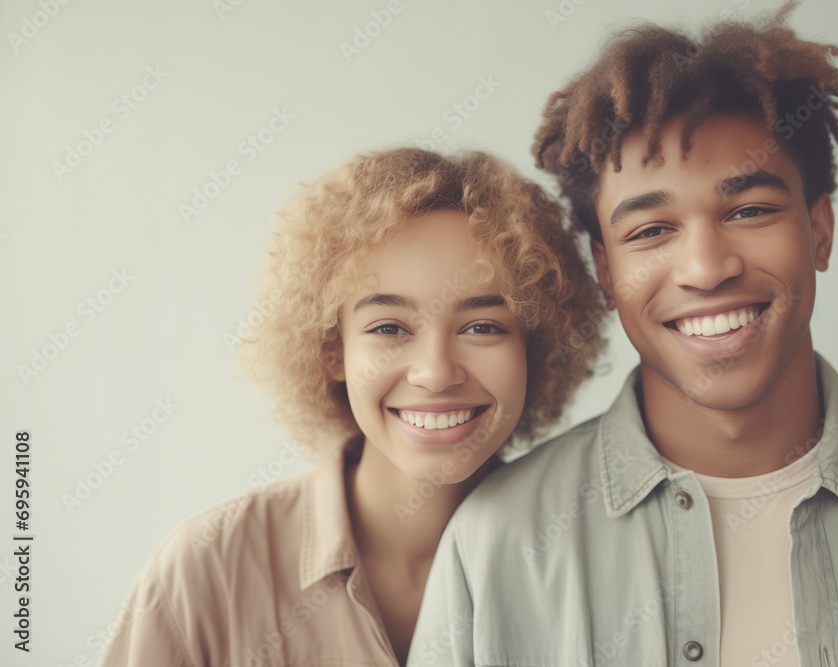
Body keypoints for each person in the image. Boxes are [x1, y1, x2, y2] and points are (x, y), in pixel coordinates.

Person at [408, 4, 838, 666]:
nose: (707, 268)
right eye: (651, 230)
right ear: (606, 269)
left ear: (820, 230)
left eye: (749, 210)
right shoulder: (494, 547)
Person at [97, 148, 604, 666]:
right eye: (389, 328)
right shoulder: (204, 573)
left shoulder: (596, 564)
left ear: (536, 347)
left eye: (482, 327)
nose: (434, 372)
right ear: (333, 351)